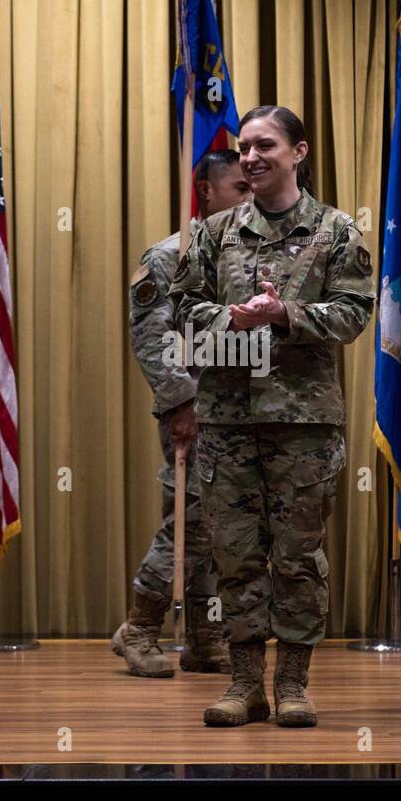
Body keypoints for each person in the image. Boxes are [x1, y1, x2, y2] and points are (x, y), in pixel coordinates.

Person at [172, 106, 375, 727]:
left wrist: (284, 314)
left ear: (299, 152)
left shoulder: (337, 231)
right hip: (229, 423)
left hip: (304, 425)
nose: (252, 158)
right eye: (244, 149)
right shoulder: (212, 232)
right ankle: (242, 683)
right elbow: (181, 309)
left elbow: (354, 314)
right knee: (234, 556)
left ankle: (292, 682)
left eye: (265, 146)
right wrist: (229, 319)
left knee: (297, 556)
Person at [113, 150, 251, 677]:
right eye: (238, 187)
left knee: (226, 530)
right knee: (190, 524)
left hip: (243, 409)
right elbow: (152, 339)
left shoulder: (250, 255)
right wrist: (182, 403)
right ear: (205, 190)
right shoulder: (171, 256)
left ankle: (204, 636)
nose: (248, 196)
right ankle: (141, 629)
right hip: (193, 410)